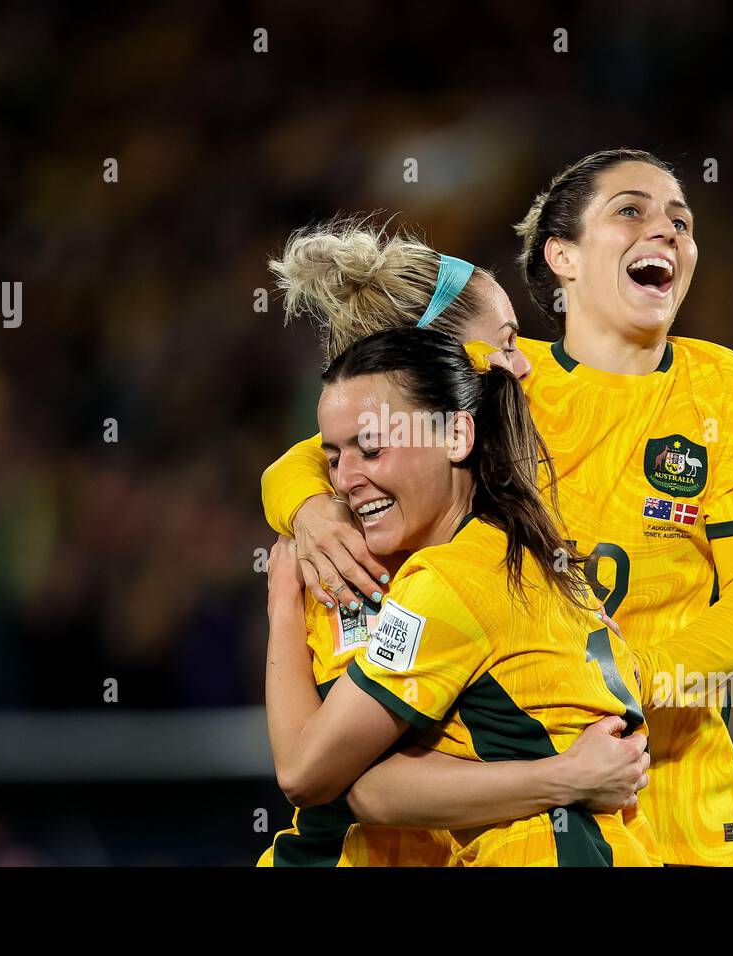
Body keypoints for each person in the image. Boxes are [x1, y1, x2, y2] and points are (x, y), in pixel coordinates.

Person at [263, 150, 733, 866]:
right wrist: (307, 512)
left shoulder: (729, 395)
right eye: (631, 211)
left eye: (682, 220)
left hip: (670, 794)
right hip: (500, 805)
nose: (667, 231)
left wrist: (614, 677)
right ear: (562, 257)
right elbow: (328, 448)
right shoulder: (498, 380)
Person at [259, 224, 648, 866]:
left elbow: (329, 775)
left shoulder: (470, 536)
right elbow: (339, 777)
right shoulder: (361, 548)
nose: (524, 365)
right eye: (504, 344)